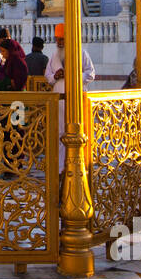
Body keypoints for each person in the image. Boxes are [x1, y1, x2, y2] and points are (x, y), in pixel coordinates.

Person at [45, 23, 96, 170]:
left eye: (62, 39)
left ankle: (79, 166)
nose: (59, 43)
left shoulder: (81, 53)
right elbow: (47, 75)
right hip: (59, 100)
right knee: (60, 132)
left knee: (77, 132)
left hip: (76, 99)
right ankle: (61, 167)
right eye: (57, 39)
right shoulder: (54, 55)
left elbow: (91, 74)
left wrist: (73, 75)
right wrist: (55, 76)